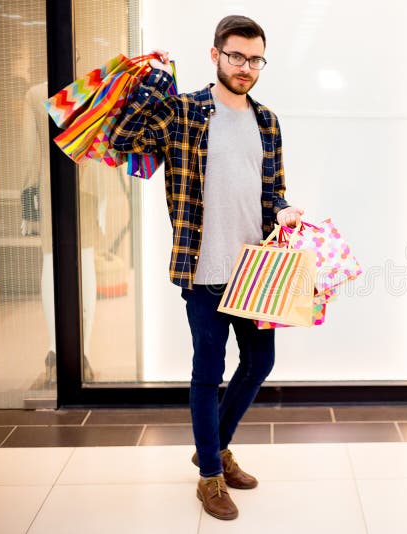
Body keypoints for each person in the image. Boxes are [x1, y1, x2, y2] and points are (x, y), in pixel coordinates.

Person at [110, 15, 303, 521]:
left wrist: (281, 210)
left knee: (260, 363)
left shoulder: (267, 121)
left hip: (256, 268)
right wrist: (152, 88)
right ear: (215, 54)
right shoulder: (183, 111)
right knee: (207, 372)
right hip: (203, 268)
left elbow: (271, 190)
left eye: (255, 58)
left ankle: (213, 448)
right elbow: (121, 143)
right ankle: (210, 476)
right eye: (236, 55)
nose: (246, 66)